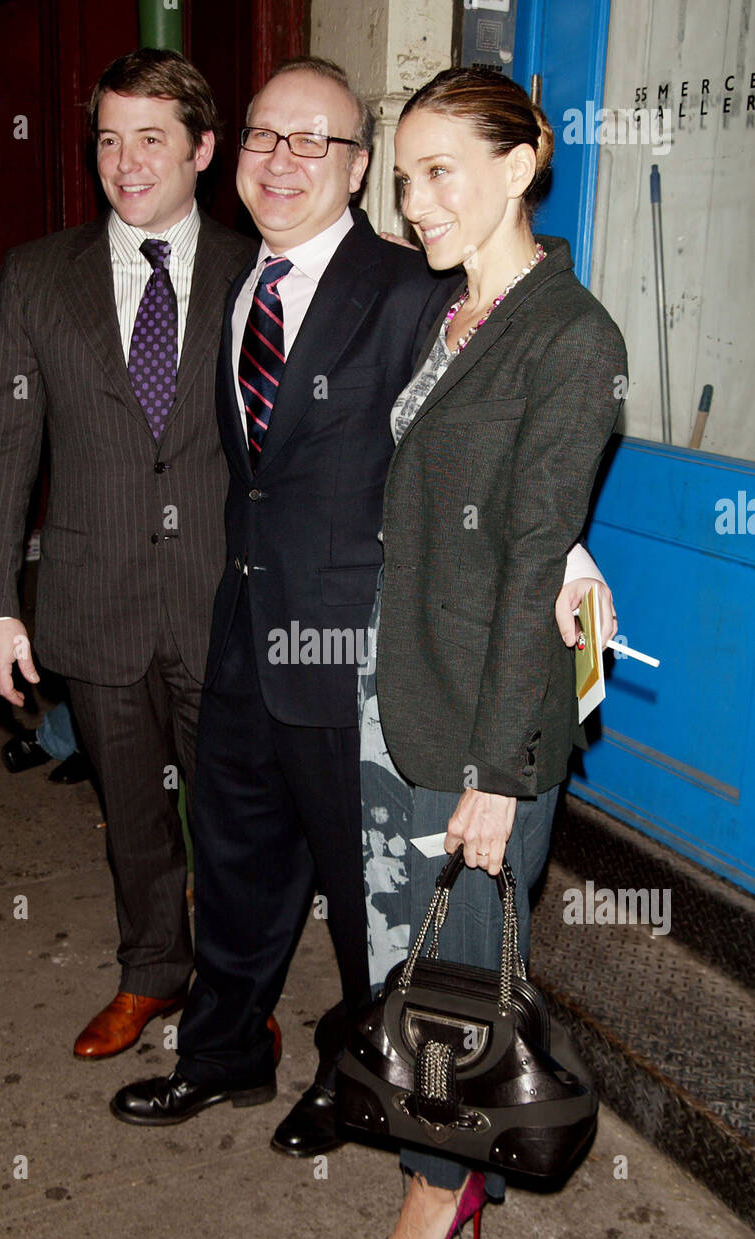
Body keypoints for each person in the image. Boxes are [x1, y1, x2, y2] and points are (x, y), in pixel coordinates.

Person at [110, 58, 614, 1157]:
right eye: (260, 138)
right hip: (241, 630)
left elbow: (484, 437)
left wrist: (567, 551)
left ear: (353, 169)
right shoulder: (232, 276)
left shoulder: (412, 286)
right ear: (228, 155)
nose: (280, 162)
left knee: (361, 892)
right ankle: (223, 1051)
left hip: (356, 652)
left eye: (315, 143)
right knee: (236, 861)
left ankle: (355, 1075)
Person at [349, 67, 627, 1239]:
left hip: (482, 712)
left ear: (520, 165)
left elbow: (524, 549)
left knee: (459, 969)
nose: (413, 201)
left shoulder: (571, 337)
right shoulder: (445, 310)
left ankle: (440, 1180)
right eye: (403, 177)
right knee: (416, 947)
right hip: (409, 679)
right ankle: (450, 1159)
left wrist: (502, 775)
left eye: (437, 171)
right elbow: (490, 506)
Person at [0, 49, 254, 1059]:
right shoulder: (39, 276)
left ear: (202, 150)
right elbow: (4, 442)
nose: (127, 165)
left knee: (232, 818)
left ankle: (234, 992)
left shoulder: (255, 268)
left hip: (221, 600)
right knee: (130, 810)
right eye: (109, 141)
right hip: (94, 599)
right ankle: (149, 974)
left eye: (152, 140)